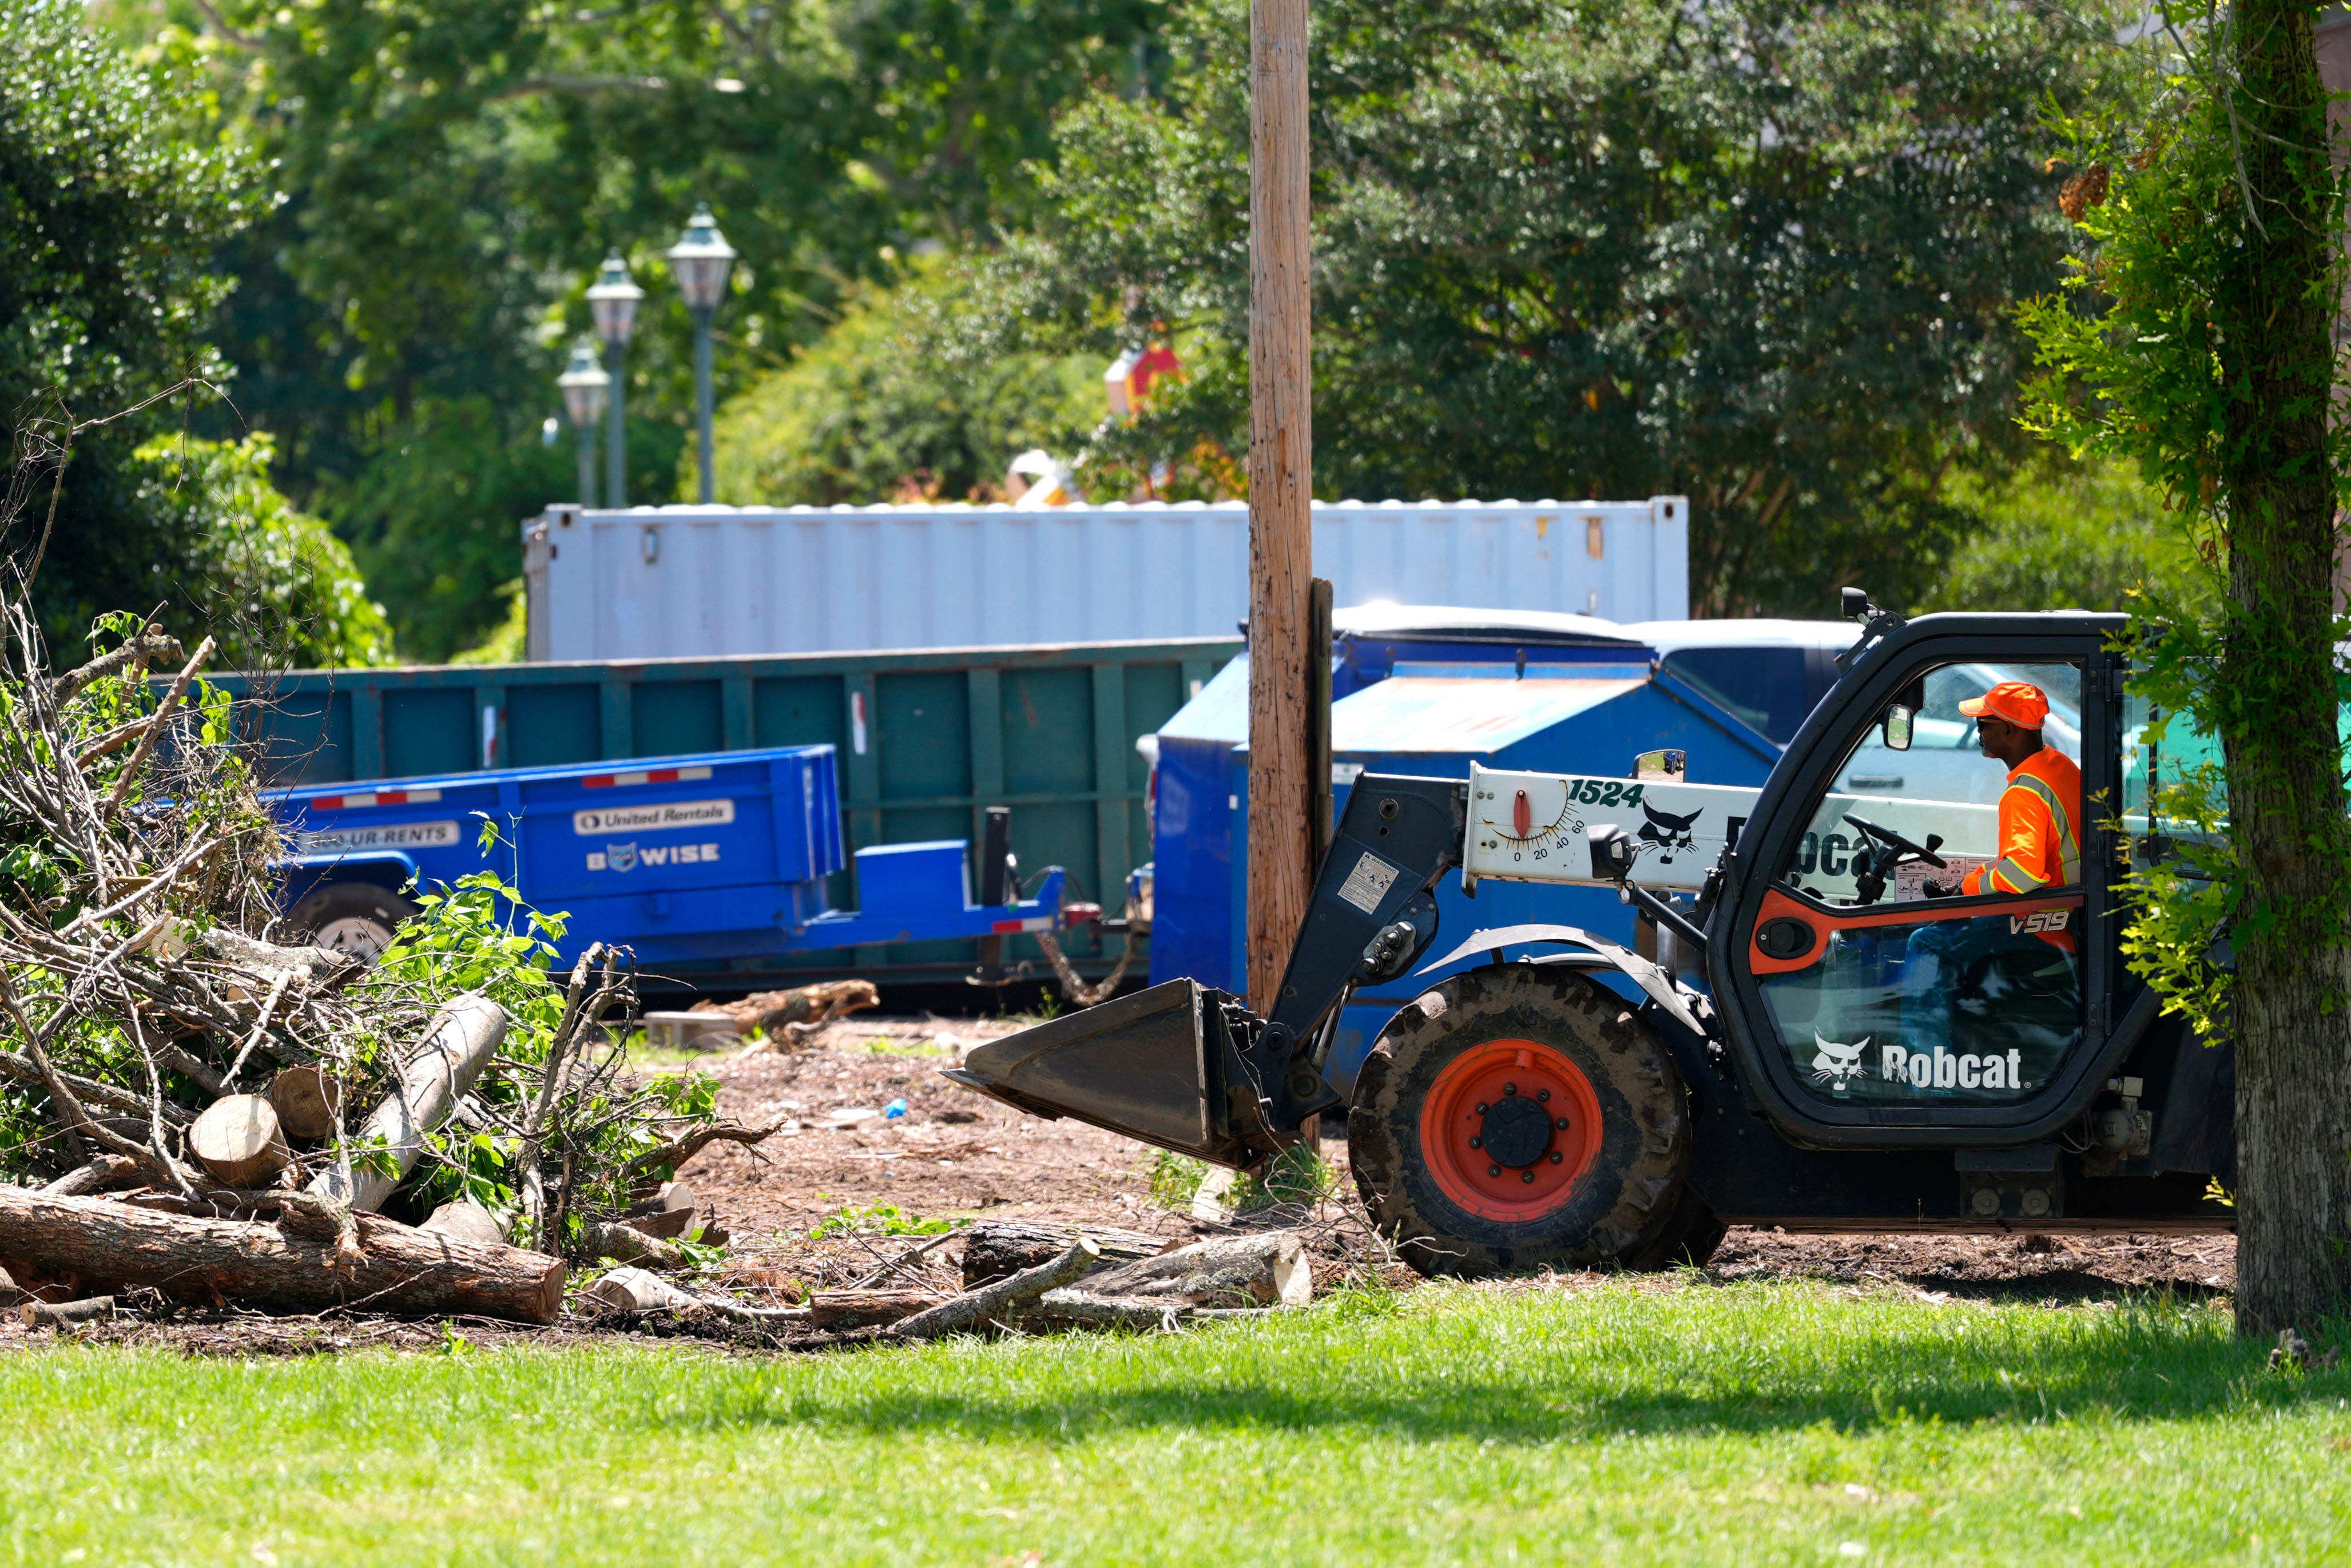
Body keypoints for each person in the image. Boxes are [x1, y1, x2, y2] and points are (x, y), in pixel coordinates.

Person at [1896, 679, 2082, 1095]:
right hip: (2067, 911)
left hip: (2043, 921)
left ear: (2011, 731)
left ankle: (1924, 1079)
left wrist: (1967, 887)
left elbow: (2022, 875)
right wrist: (1973, 883)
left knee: (1926, 943)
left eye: (1985, 724)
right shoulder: (2059, 768)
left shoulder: (2025, 791)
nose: (1979, 733)